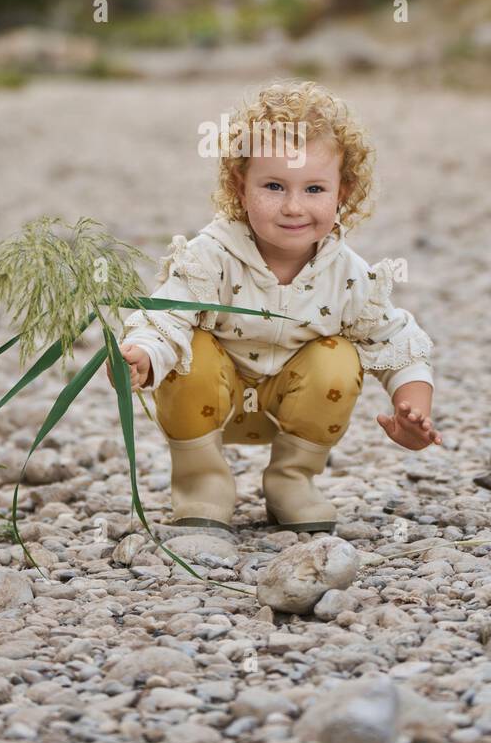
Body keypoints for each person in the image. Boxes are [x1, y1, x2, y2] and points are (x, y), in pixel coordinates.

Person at [109, 80, 440, 533]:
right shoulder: (212, 257)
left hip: (296, 407)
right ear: (239, 186)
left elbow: (396, 341)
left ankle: (291, 480)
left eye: (314, 189)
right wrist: (142, 356)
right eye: (273, 186)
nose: (293, 206)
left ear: (342, 192)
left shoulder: (345, 273)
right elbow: (166, 314)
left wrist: (412, 408)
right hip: (213, 404)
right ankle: (202, 483)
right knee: (194, 347)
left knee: (339, 357)